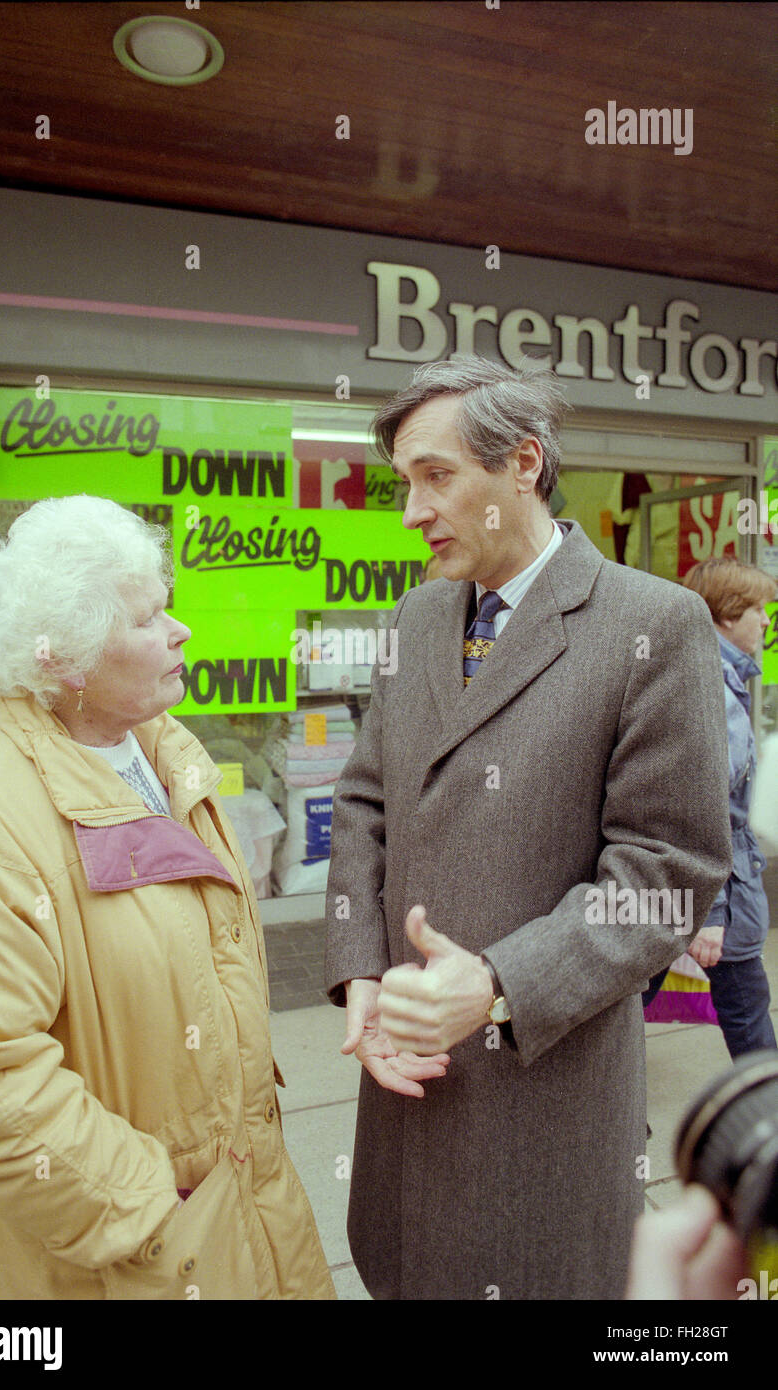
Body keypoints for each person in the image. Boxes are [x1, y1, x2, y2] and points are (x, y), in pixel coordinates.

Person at [324, 355, 733, 1300]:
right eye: (403, 483)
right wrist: (359, 975)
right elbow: (363, 801)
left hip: (542, 1101)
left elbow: (667, 868)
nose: (411, 512)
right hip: (403, 1091)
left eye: (435, 476)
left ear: (521, 464)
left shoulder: (651, 622)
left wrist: (502, 983)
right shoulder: (420, 614)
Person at [0, 495, 334, 1300]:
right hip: (130, 1261)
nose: (178, 630)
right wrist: (151, 1204)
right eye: (148, 618)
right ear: (66, 657)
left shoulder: (165, 755)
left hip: (243, 1218)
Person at [678, 556, 777, 1056]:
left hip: (704, 895)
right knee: (750, 1022)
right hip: (724, 897)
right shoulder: (712, 685)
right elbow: (701, 802)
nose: (766, 620)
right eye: (757, 609)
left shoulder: (712, 673)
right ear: (726, 613)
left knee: (629, 1004)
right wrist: (710, 912)